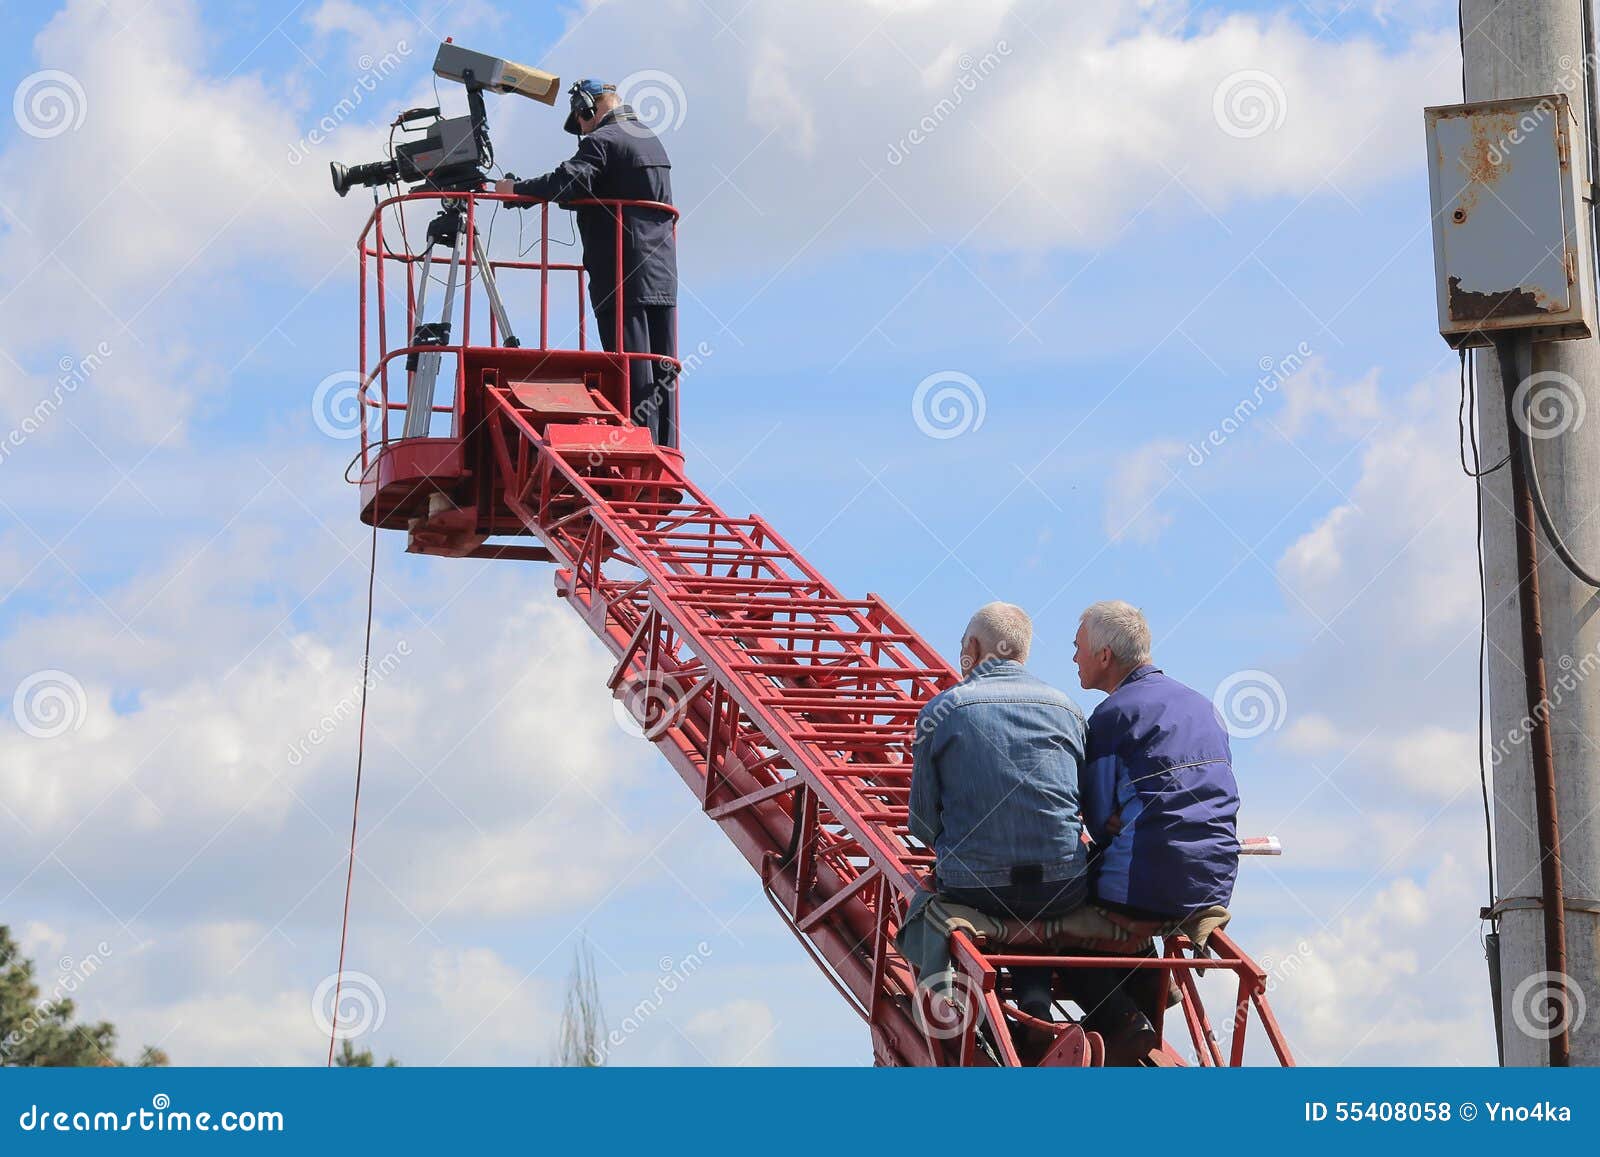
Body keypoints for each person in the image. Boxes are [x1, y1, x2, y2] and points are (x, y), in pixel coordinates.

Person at [1070, 599, 1241, 1059]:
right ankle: (1148, 1003)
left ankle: (1125, 1028)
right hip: (1214, 881)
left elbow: (1097, 817)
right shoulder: (1203, 706)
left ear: (1105, 656)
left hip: (1149, 879)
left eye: (1077, 647)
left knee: (1058, 931)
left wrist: (1118, 823)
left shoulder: (1112, 717)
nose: (1073, 658)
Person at [907, 602, 1089, 1032]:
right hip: (1063, 885)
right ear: (1023, 652)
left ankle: (980, 1022)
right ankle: (1034, 1003)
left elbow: (922, 823)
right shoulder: (1068, 708)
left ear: (972, 645)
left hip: (976, 886)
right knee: (1036, 890)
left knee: (977, 893)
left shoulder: (942, 711)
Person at [496, 79, 678, 447]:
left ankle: (636, 440)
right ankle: (663, 445)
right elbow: (600, 184)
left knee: (628, 363)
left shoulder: (603, 140)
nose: (579, 131)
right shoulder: (647, 138)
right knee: (660, 365)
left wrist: (515, 192)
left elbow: (568, 180)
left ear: (586, 108)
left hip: (621, 269)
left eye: (578, 122)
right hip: (659, 272)